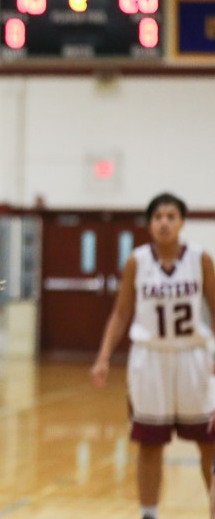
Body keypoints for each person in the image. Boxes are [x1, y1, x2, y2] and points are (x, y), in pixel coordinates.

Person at [91, 193, 215, 519]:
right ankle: (149, 513)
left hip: (194, 358)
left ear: (182, 222)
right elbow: (120, 313)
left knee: (209, 443)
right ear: (149, 224)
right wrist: (103, 356)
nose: (164, 222)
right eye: (158, 216)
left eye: (171, 216)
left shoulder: (201, 259)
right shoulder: (137, 261)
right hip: (150, 360)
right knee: (150, 443)